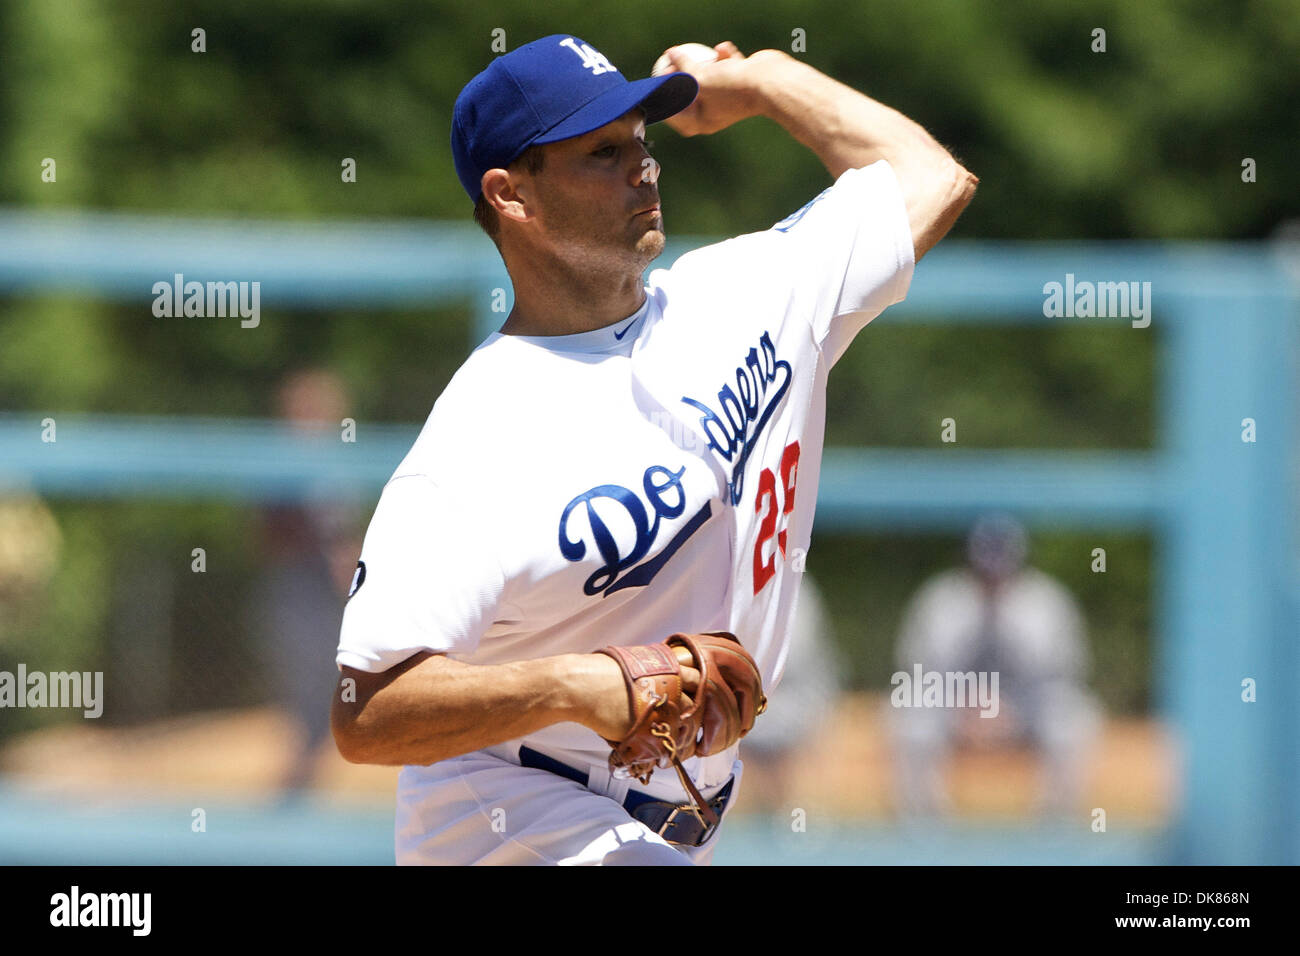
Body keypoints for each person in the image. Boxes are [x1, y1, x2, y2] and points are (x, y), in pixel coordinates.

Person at [331, 33, 977, 865]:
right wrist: (575, 684)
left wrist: (764, 82)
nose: (644, 166)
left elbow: (932, 177)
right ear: (510, 194)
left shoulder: (748, 293)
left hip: (678, 813)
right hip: (512, 808)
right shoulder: (477, 440)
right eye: (604, 152)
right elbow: (365, 711)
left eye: (642, 140)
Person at [888, 515, 1101, 818]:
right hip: (952, 705)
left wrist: (1004, 713)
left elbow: (1065, 675)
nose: (993, 571)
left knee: (1073, 715)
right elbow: (916, 672)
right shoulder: (941, 598)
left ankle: (1056, 827)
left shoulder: (1046, 601)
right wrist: (969, 709)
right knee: (910, 715)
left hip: (1025, 707)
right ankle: (923, 828)